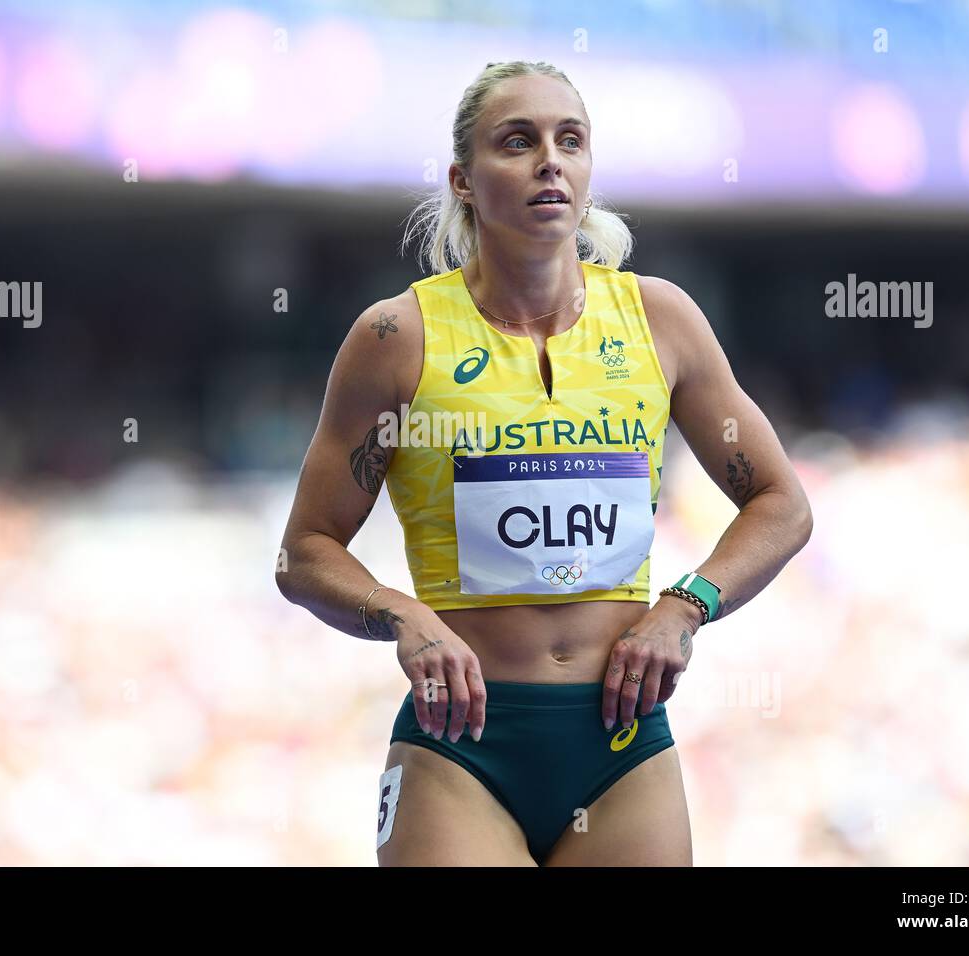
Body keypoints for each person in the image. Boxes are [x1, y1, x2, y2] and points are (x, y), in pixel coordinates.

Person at [275, 60, 813, 866]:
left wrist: (685, 605)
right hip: (461, 749)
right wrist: (404, 616)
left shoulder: (660, 321)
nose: (549, 162)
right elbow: (304, 553)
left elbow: (781, 502)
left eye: (571, 141)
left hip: (621, 747)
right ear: (463, 178)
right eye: (517, 142)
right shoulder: (395, 339)